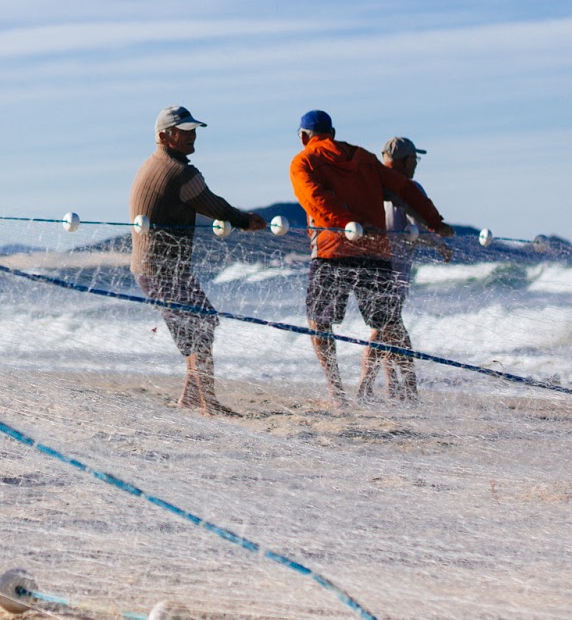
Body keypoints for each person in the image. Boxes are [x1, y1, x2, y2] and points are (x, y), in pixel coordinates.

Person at [288, 111, 453, 406]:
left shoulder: (304, 161)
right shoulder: (363, 157)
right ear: (333, 131)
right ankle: (411, 392)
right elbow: (403, 187)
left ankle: (337, 392)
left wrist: (348, 224)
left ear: (303, 137)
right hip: (376, 254)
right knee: (390, 323)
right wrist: (435, 221)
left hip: (332, 252)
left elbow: (314, 198)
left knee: (318, 322)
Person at [129, 105, 267, 416]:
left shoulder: (150, 164)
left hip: (153, 268)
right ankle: (209, 404)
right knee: (200, 327)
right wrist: (245, 221)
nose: (192, 137)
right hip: (162, 269)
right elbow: (213, 205)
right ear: (165, 136)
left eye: (193, 131)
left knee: (201, 324)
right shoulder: (180, 172)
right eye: (185, 132)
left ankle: (193, 399)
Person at [376, 136, 453, 401]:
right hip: (395, 267)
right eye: (414, 160)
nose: (416, 165)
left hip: (371, 263)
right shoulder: (409, 186)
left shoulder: (371, 183)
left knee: (385, 325)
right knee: (389, 324)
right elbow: (415, 227)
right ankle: (405, 387)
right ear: (405, 160)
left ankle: (392, 384)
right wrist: (439, 245)